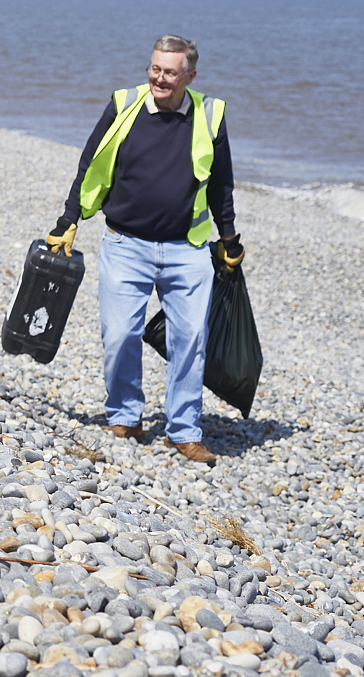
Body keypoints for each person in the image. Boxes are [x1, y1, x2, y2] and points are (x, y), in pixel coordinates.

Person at [50, 35, 242, 466]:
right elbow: (91, 162)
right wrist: (69, 220)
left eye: (170, 72)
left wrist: (229, 240)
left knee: (191, 341)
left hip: (188, 250)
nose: (159, 77)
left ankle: (184, 431)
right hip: (125, 244)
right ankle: (124, 416)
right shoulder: (124, 105)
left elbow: (221, 184)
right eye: (155, 68)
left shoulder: (210, 115)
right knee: (120, 336)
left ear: (189, 76)